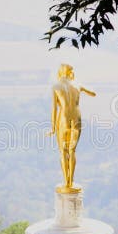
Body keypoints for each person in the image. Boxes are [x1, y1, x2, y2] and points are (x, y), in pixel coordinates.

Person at [48, 64, 96, 192]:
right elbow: (93, 93)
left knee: (63, 151)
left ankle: (66, 182)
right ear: (71, 73)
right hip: (76, 117)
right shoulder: (77, 85)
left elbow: (54, 108)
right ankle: (71, 181)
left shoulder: (56, 86)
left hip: (63, 118)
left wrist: (53, 127)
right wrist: (81, 87)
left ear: (60, 73)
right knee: (72, 151)